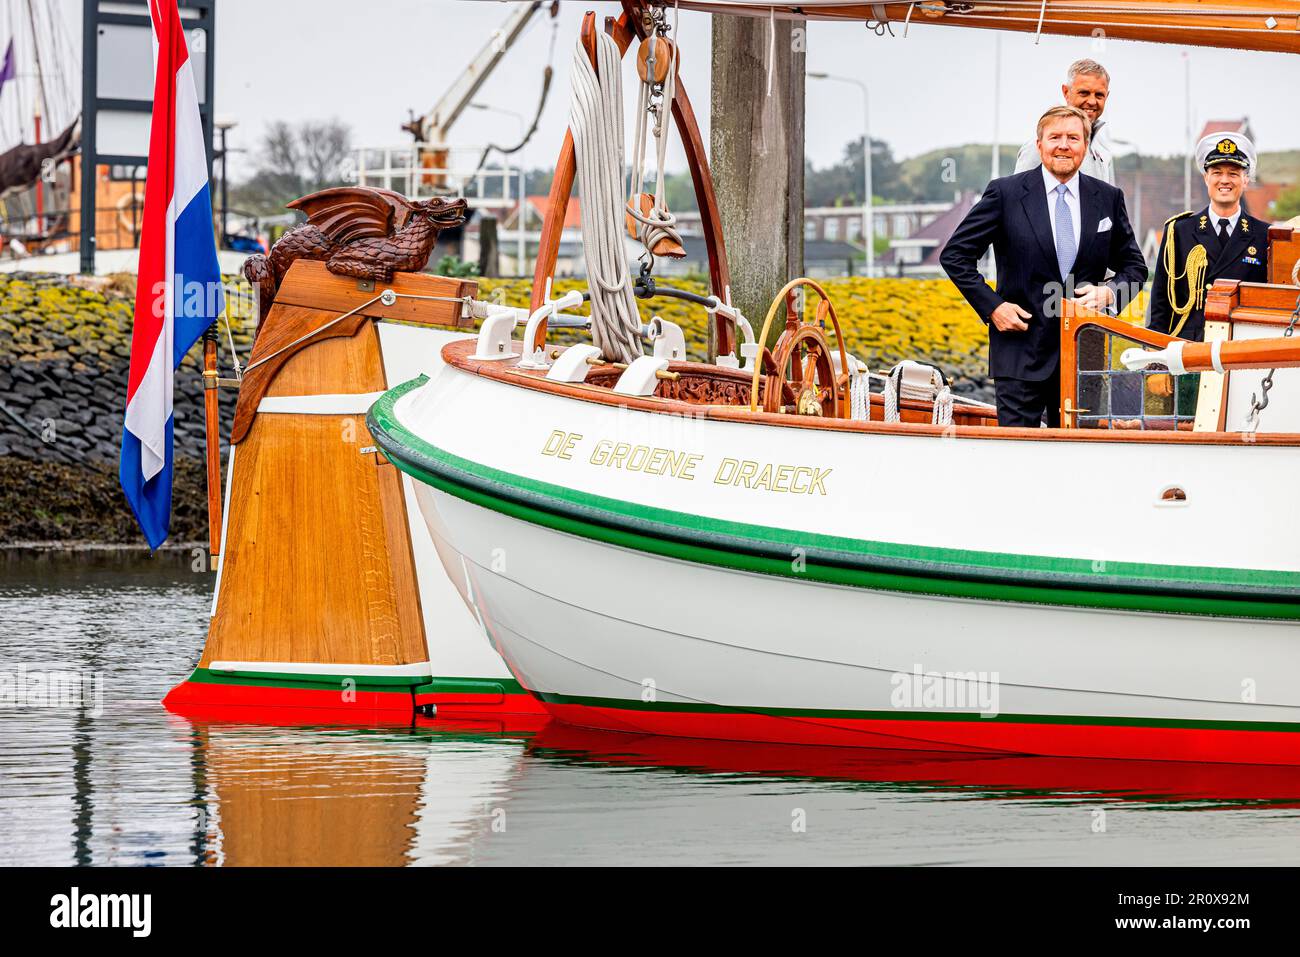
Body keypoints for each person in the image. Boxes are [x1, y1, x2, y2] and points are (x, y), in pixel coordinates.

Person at [940, 105, 1148, 428]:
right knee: (1018, 460)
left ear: (1086, 145)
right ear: (1039, 145)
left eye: (1073, 138)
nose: (1064, 145)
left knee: (1079, 459)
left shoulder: (1108, 198)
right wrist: (994, 308)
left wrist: (1109, 294)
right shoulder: (1005, 194)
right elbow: (954, 255)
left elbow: (1136, 268)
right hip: (1020, 354)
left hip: (1083, 358)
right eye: (1055, 137)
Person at [1147, 132, 1270, 342]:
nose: (1224, 180)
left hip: (1241, 346)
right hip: (1189, 347)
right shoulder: (1179, 231)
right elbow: (1161, 302)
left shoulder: (1264, 235)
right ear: (1206, 178)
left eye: (1233, 173)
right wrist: (1155, 351)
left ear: (1246, 180)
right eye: (1216, 172)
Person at [1015, 59, 1115, 185]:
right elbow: (1018, 196)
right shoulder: (1041, 147)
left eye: (1099, 95)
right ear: (1066, 92)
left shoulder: (1103, 148)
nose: (1092, 101)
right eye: (1084, 93)